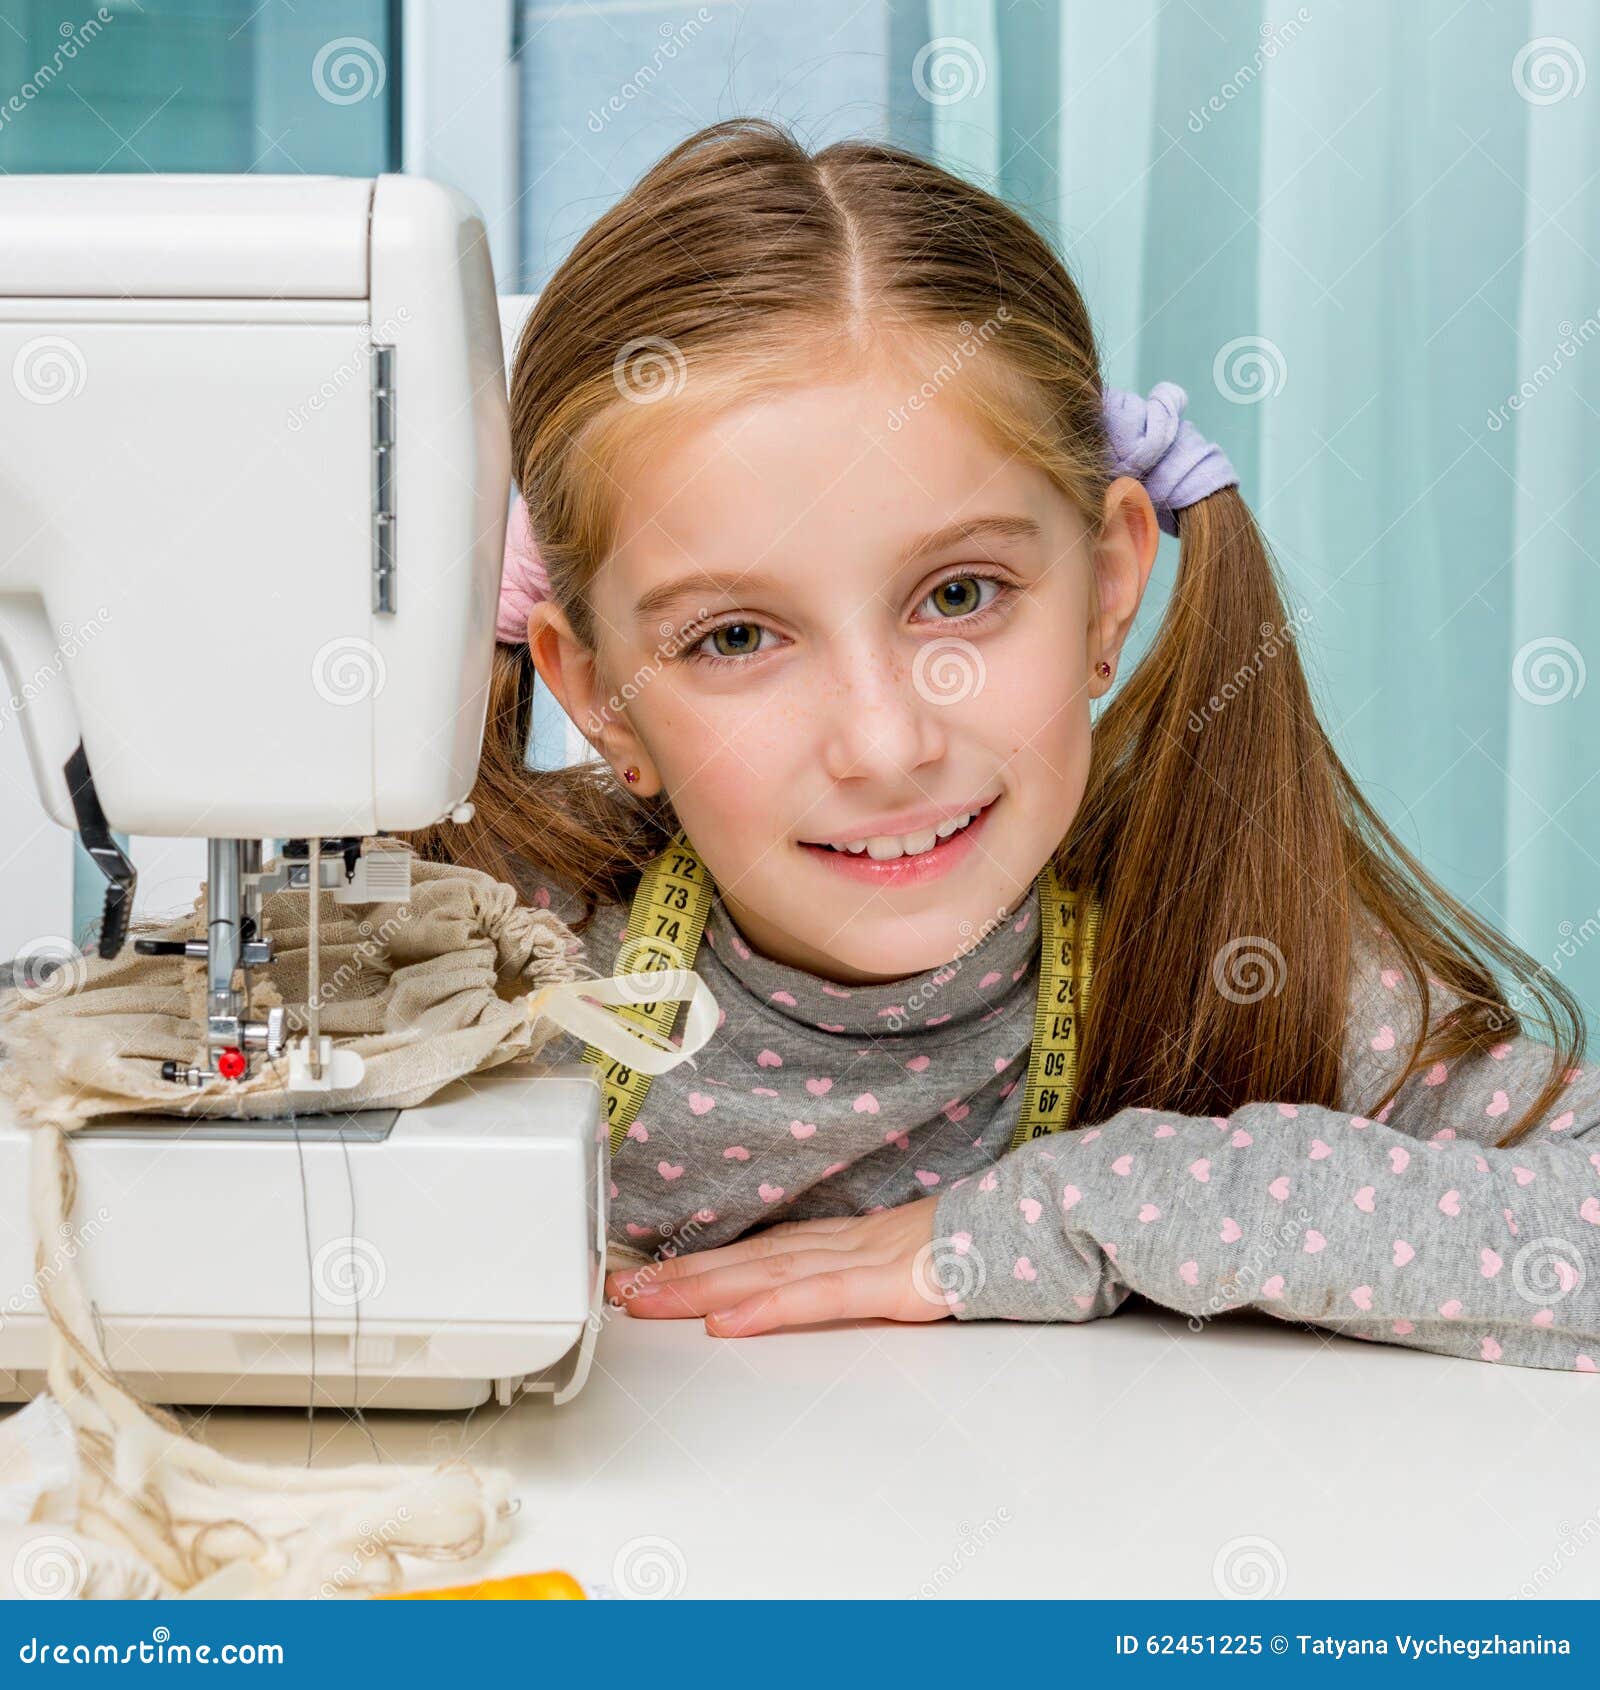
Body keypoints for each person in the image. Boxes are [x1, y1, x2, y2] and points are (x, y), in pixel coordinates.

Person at [408, 118, 1599, 1372]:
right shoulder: (493, 969)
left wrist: (1084, 1208)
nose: (882, 741)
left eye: (960, 595)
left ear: (1104, 590)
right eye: (738, 635)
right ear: (597, 692)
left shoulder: (1225, 964)